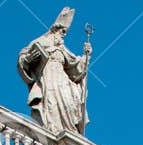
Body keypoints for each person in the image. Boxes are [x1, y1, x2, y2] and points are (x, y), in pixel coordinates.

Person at [18, 7, 91, 135]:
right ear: (55, 30)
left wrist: (86, 55)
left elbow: (75, 68)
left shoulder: (62, 49)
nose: (64, 34)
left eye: (65, 32)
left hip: (62, 79)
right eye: (62, 31)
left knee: (69, 103)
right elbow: (23, 58)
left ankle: (69, 131)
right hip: (48, 78)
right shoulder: (41, 41)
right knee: (51, 104)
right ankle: (53, 129)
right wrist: (29, 59)